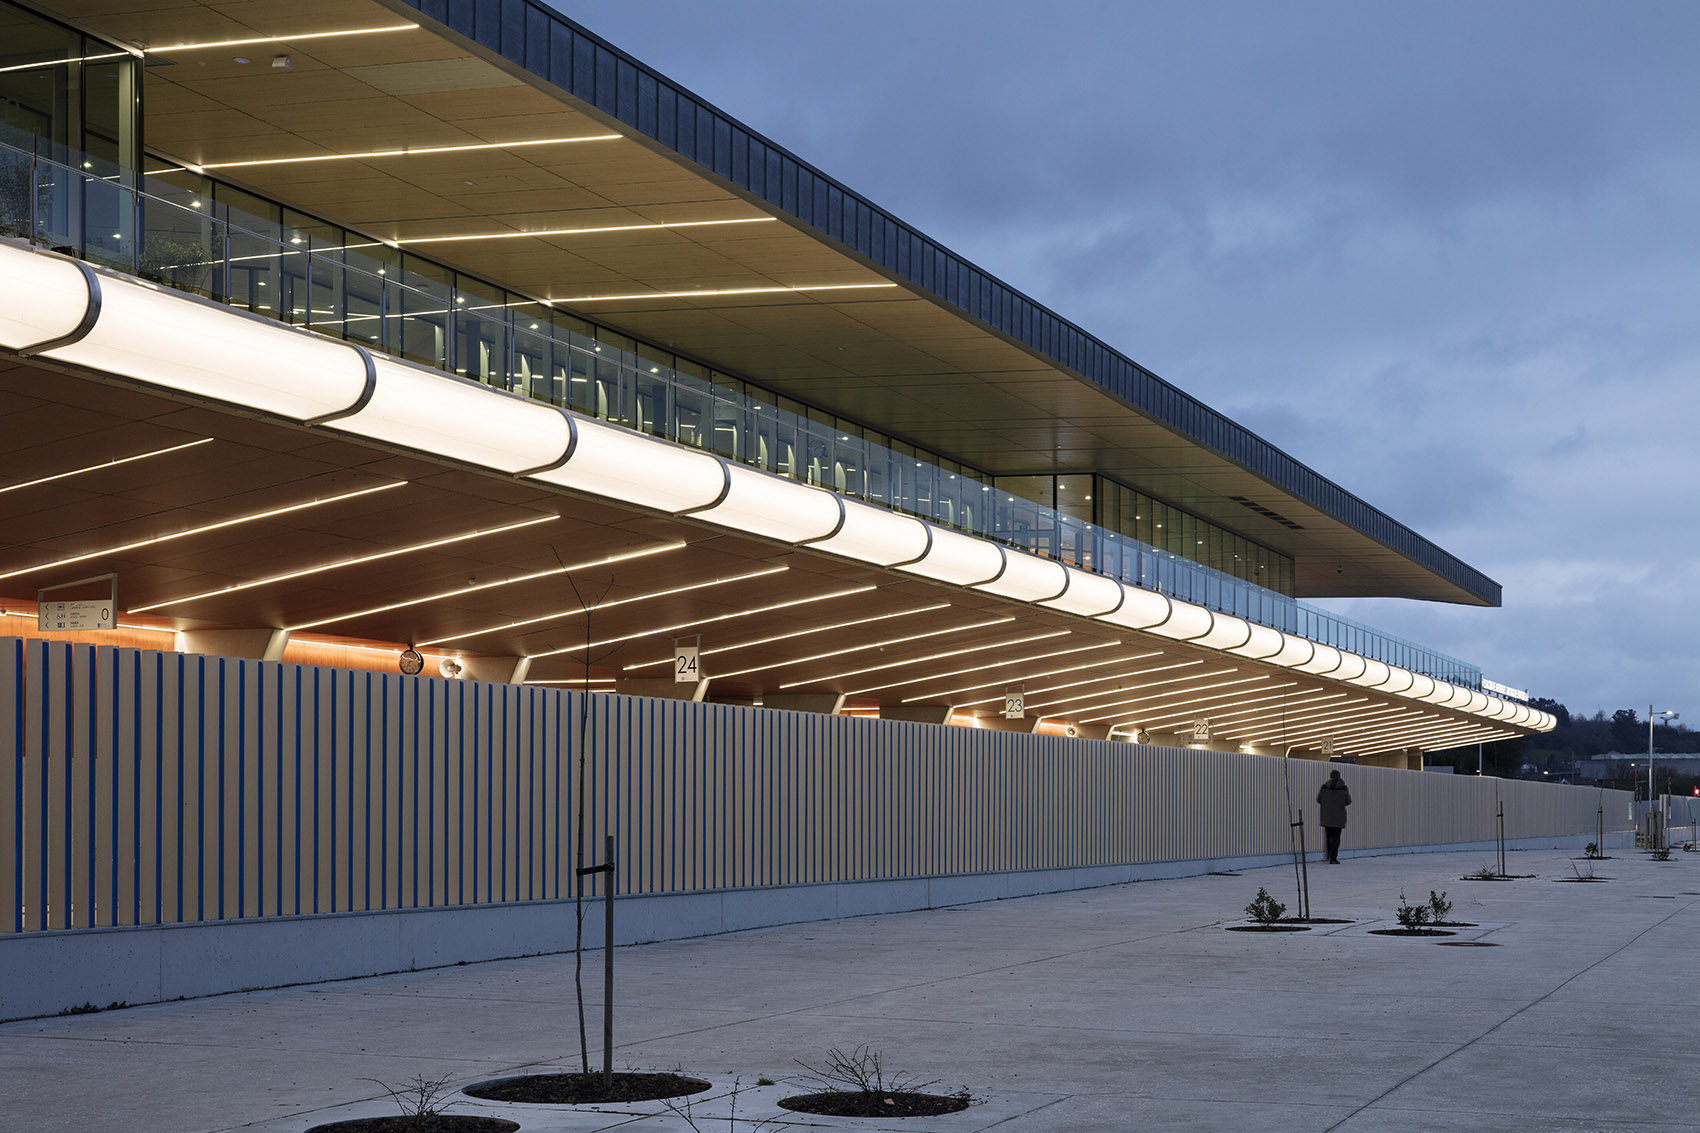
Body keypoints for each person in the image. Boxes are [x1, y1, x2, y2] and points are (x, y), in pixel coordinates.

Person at [1317, 768, 1351, 863]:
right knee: (1336, 838)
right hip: (1339, 816)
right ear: (1339, 776)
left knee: (1328, 836)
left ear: (1331, 776)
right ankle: (1333, 857)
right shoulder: (1344, 788)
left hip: (1326, 816)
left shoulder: (1324, 787)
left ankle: (1328, 855)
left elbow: (1319, 800)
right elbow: (1348, 801)